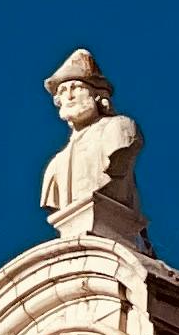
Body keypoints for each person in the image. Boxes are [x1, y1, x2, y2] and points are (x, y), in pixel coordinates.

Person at [38, 50, 148, 248]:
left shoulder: (119, 128)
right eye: (63, 91)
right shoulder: (56, 165)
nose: (69, 96)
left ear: (97, 95)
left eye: (77, 87)